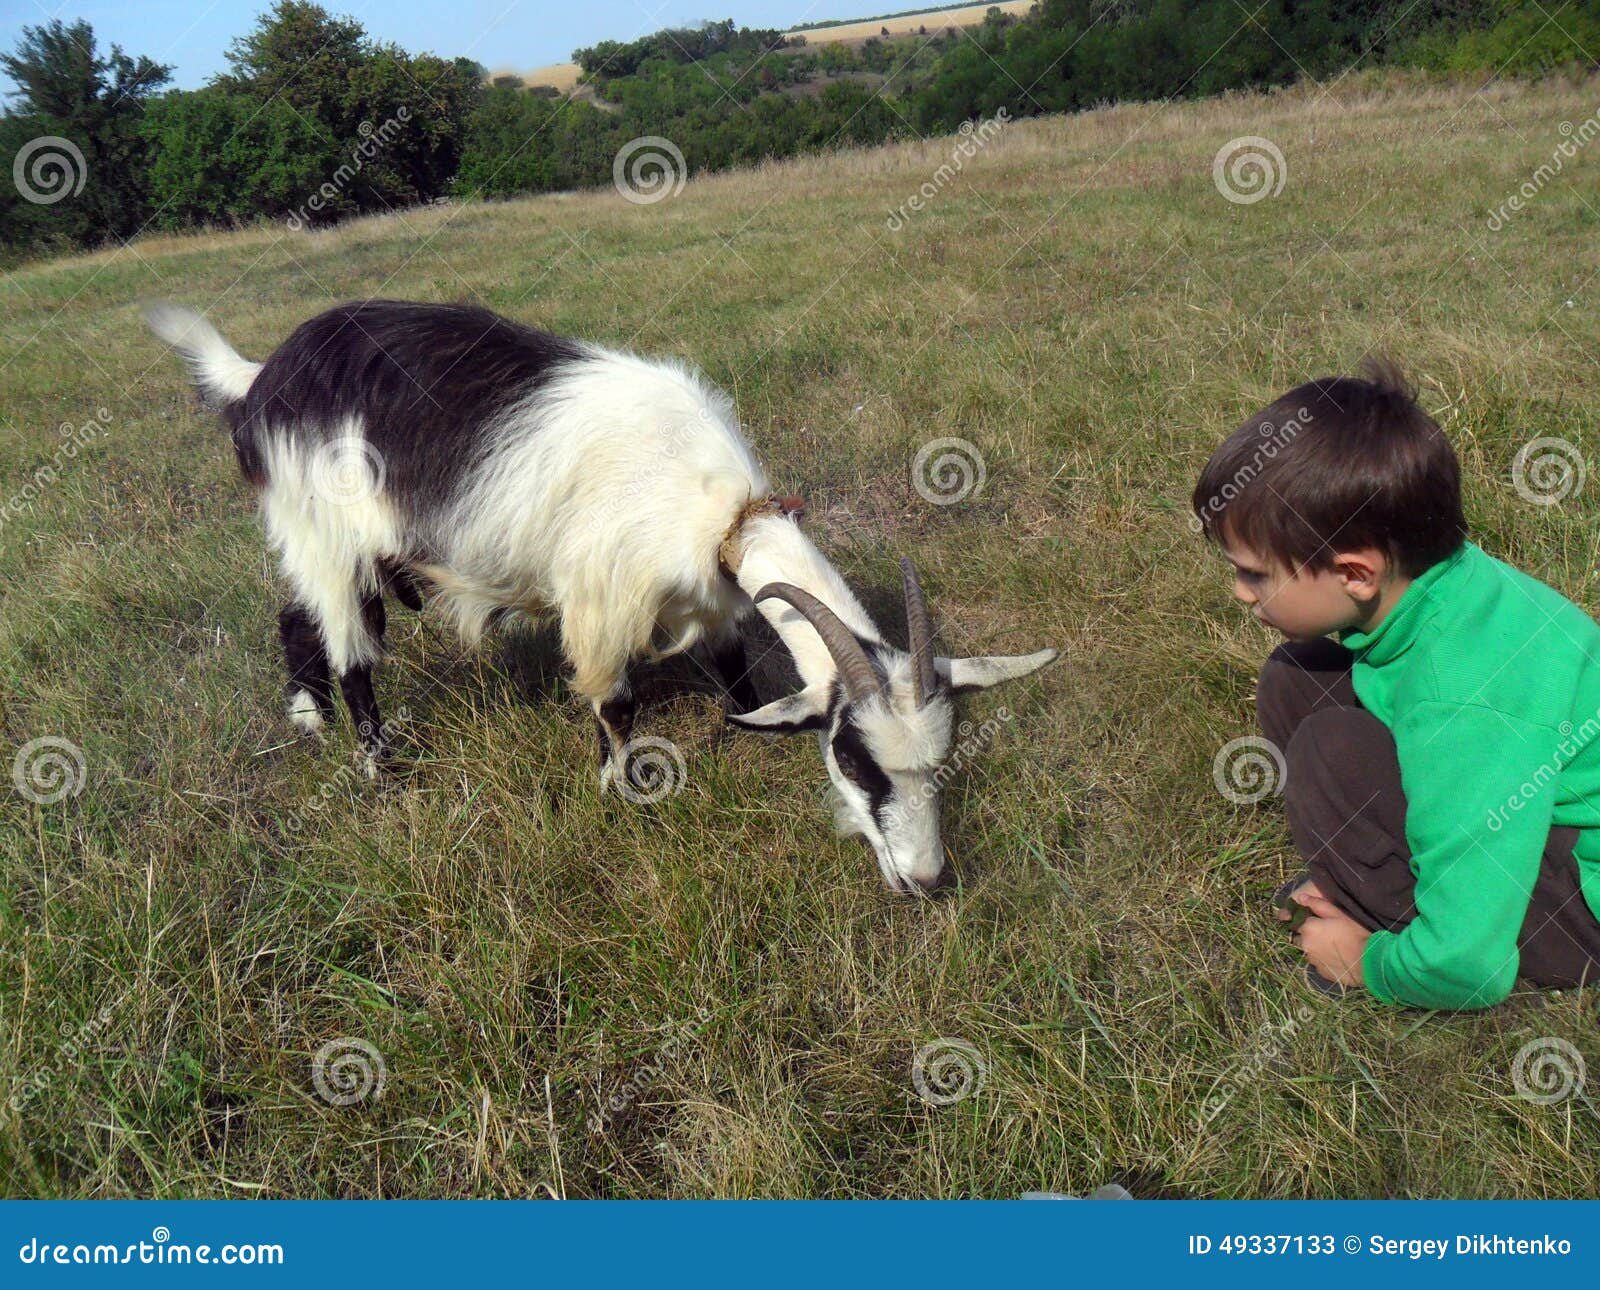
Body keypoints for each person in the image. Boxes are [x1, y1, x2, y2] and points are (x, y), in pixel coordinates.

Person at [1191, 358, 1600, 1006]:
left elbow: (1471, 965)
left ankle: (1389, 924)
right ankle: (1359, 878)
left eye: (1255, 574)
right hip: (1530, 801)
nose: (1240, 592)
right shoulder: (1439, 582)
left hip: (1584, 907)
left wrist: (1370, 964)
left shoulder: (1463, 696)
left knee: (1329, 752)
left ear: (1355, 574)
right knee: (1296, 675)